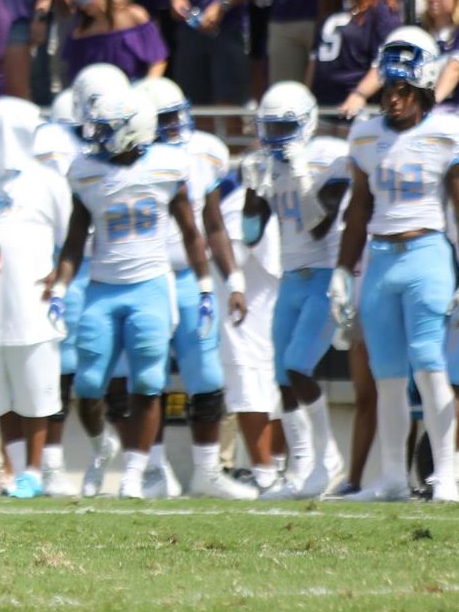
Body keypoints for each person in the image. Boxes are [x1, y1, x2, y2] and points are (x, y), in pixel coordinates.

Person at [45, 85, 215, 499]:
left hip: (152, 286)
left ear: (133, 129)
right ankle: (102, 446)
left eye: (107, 128)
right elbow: (73, 239)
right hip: (103, 288)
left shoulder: (168, 166)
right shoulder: (86, 170)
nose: (98, 135)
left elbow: (192, 234)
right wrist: (59, 287)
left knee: (148, 382)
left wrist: (207, 286)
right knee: (86, 387)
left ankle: (135, 474)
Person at [332, 29, 459, 502]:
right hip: (381, 259)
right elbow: (358, 210)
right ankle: (390, 480)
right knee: (387, 377)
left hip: (427, 252)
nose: (394, 99)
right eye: (389, 89)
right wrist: (343, 273)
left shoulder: (447, 132)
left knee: (429, 368)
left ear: (424, 89)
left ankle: (446, 476)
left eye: (404, 90)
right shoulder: (365, 135)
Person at [137, 77, 255, 498]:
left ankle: (206, 471)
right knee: (146, 378)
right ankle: (151, 470)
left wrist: (234, 279)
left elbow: (214, 224)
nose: (176, 127)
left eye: (177, 116)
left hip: (190, 277)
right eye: (165, 120)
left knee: (206, 374)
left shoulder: (203, 151)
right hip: (143, 278)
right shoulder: (128, 158)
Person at [0, 98, 69, 498]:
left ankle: (32, 473)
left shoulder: (49, 180)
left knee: (36, 390)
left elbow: (69, 236)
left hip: (31, 301)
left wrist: (59, 277)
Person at [244, 82, 350, 499]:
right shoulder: (270, 162)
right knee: (282, 377)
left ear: (304, 124)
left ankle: (328, 459)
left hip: (323, 275)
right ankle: (301, 467)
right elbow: (251, 233)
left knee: (298, 365)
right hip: (290, 277)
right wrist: (254, 191)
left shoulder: (327, 156)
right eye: (268, 127)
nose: (274, 137)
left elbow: (319, 224)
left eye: (283, 126)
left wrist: (302, 171)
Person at [311, 0, 400, 109]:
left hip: (358, 106)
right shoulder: (329, 7)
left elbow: (385, 60)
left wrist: (360, 94)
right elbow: (314, 59)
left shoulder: (381, 10)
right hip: (323, 103)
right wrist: (307, 97)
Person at [64, 0, 168, 82]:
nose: (81, 6)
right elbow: (75, 76)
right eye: (77, 1)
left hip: (135, 90)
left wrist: (146, 88)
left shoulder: (135, 16)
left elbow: (158, 61)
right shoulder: (80, 31)